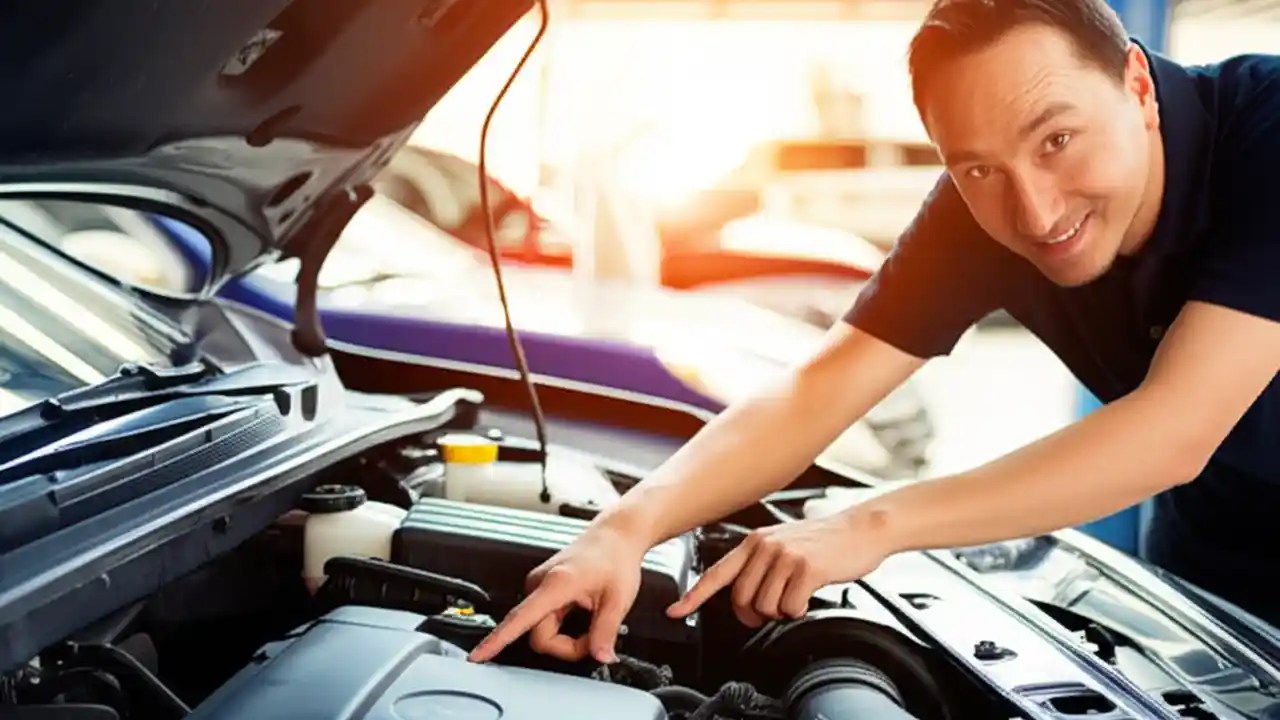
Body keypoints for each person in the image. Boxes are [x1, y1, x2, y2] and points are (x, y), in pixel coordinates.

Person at [469, 0, 1280, 665]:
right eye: (977, 168)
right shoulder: (978, 207)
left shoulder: (1267, 134)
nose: (1034, 212)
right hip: (1212, 565)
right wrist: (623, 530)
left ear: (1137, 83)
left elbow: (1174, 430)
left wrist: (871, 524)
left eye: (1057, 141)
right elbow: (819, 389)